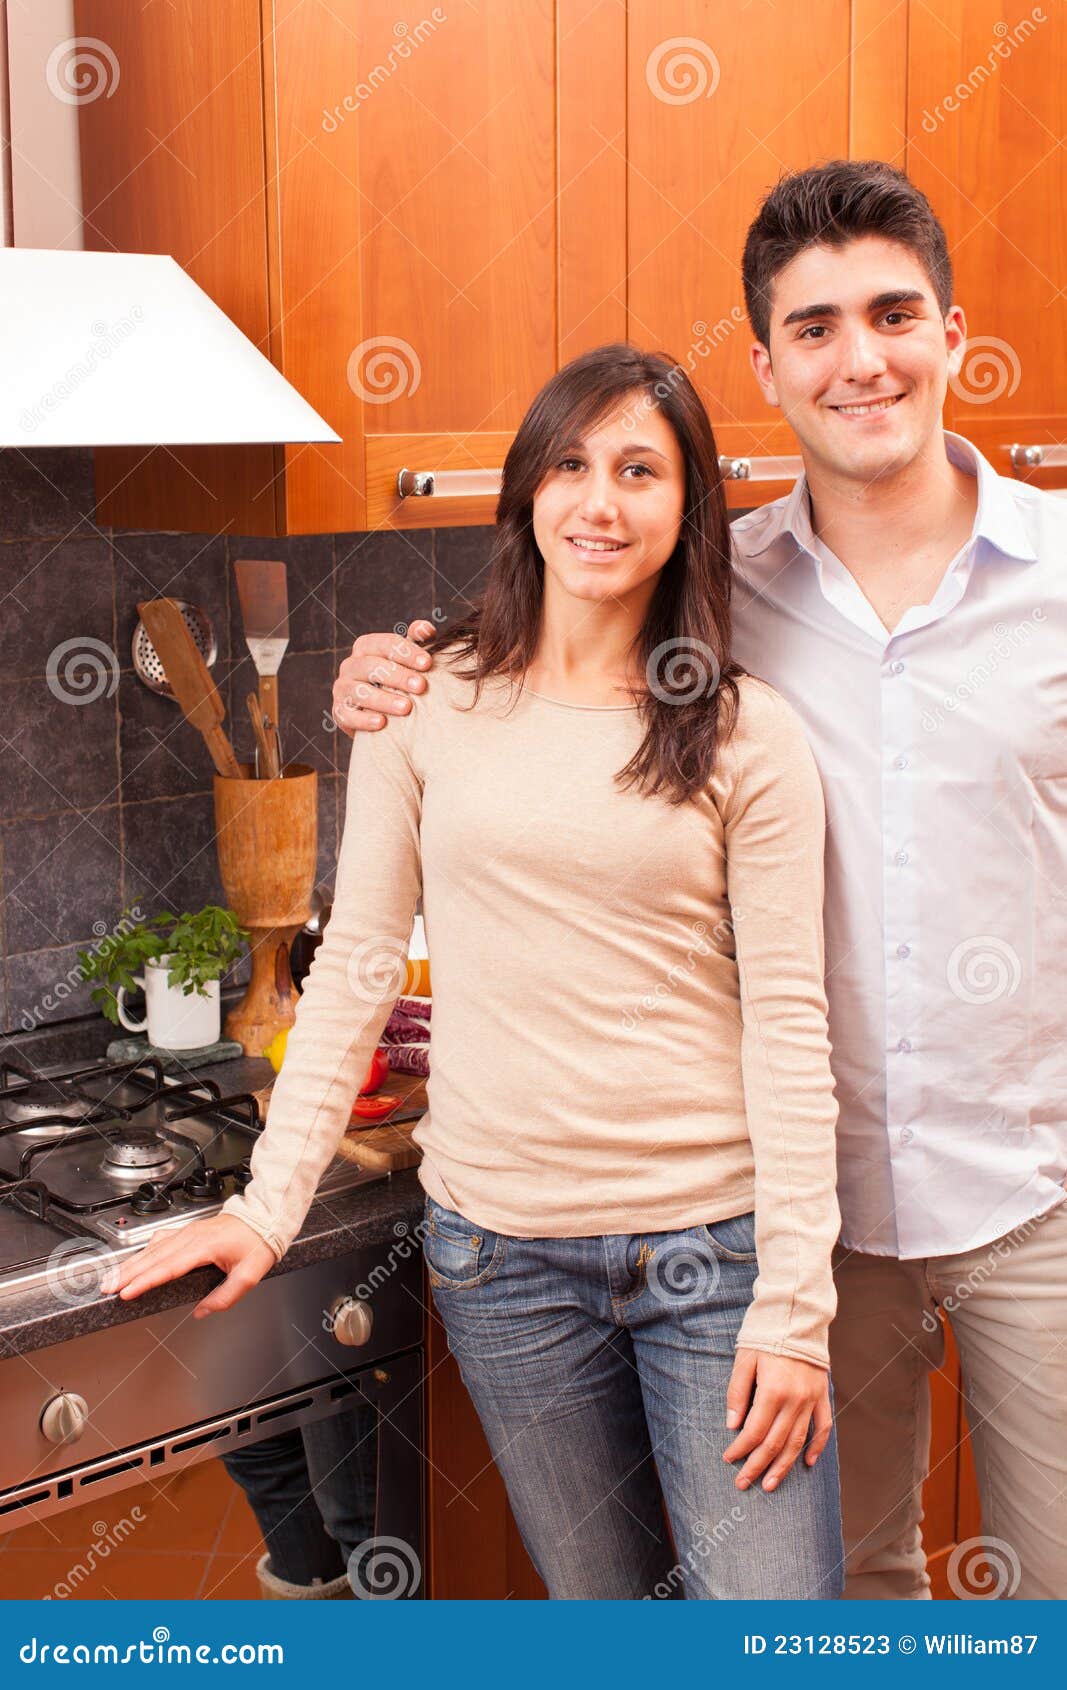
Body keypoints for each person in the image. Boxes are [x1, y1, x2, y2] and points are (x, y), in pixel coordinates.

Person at [335, 160, 1067, 1601]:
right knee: (847, 1592)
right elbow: (536, 659)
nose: (858, 359)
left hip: (1034, 1188)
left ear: (950, 333)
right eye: (813, 328)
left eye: (890, 314)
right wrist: (394, 667)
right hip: (807, 1219)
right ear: (765, 364)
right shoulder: (710, 597)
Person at [101, 343, 844, 1601]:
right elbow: (356, 971)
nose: (597, 502)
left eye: (637, 469)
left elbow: (786, 1024)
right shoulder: (427, 697)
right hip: (503, 1264)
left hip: (713, 1256)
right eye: (568, 463)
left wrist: (793, 1305)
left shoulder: (741, 730)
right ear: (525, 490)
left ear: (687, 507)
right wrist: (268, 1205)